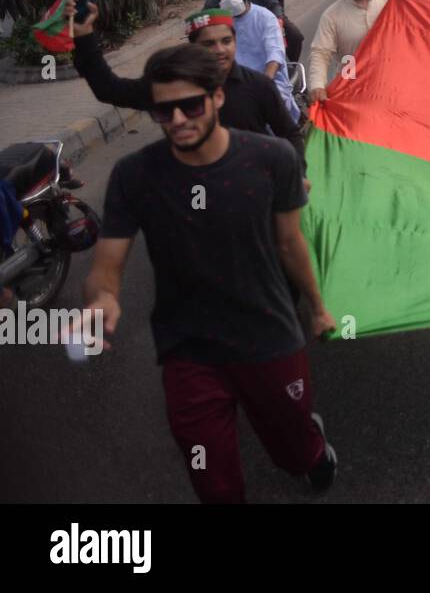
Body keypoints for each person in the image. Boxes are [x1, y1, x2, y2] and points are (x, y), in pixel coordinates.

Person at [80, 43, 338, 503]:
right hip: (189, 350)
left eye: (190, 105)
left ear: (218, 97)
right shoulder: (134, 176)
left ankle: (310, 450)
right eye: (164, 111)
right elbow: (108, 265)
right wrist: (103, 299)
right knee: (213, 480)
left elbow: (289, 242)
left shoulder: (271, 159)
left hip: (269, 338)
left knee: (294, 452)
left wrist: (317, 309)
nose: (178, 119)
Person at [66, 2, 304, 169]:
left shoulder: (258, 85)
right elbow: (108, 89)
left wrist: (296, 175)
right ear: (193, 47)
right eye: (209, 44)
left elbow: (289, 133)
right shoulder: (169, 87)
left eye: (226, 41)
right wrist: (84, 37)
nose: (220, 50)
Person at [211, 0, 299, 122]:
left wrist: (263, 85)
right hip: (233, 86)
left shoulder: (265, 17)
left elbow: (275, 56)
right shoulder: (219, 24)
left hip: (269, 82)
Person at [307, 0, 392, 104]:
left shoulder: (389, 1)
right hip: (354, 91)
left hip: (391, 85)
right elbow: (320, 53)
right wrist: (317, 86)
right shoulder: (332, 16)